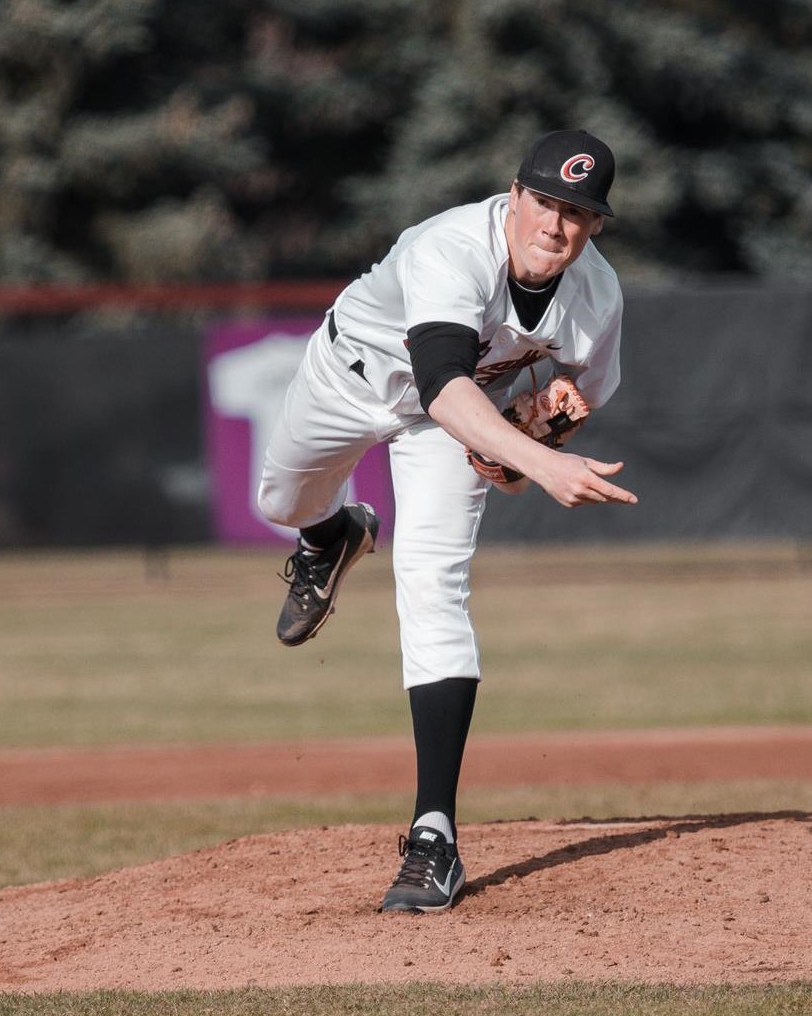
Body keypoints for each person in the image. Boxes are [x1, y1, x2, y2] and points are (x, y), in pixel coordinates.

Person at [256, 129, 637, 912]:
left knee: (432, 587)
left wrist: (537, 436)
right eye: (544, 201)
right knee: (280, 504)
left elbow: (571, 397)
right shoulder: (450, 249)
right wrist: (540, 463)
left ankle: (435, 837)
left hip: (448, 428)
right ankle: (332, 534)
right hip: (353, 377)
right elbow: (441, 382)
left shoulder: (597, 300)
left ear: (597, 225)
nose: (555, 225)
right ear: (515, 193)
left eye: (578, 212)